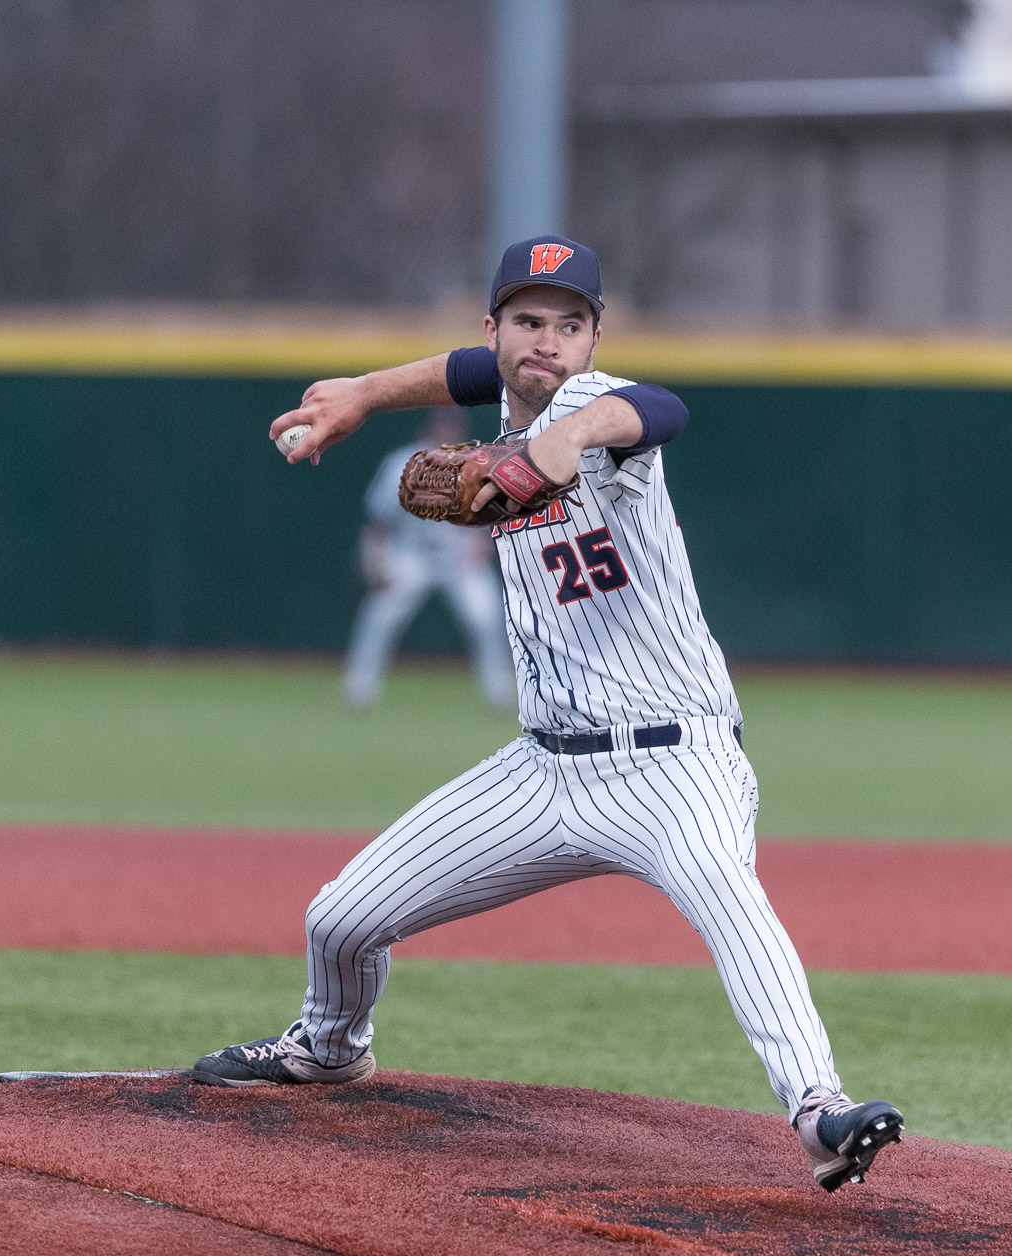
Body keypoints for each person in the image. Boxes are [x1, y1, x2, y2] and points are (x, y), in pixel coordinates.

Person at [193, 236, 903, 1193]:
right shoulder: (502, 389)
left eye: (572, 325)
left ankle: (820, 1110)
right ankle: (329, 1048)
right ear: (496, 330)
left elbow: (662, 408)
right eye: (530, 321)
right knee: (339, 920)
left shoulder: (594, 407)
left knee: (732, 901)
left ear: (594, 338)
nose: (550, 341)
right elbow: (464, 371)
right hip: (543, 770)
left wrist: (563, 440)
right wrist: (361, 393)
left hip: (674, 761)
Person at [342, 407, 514, 710]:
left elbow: (493, 516)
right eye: (442, 425)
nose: (447, 431)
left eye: (452, 426)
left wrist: (480, 545)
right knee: (380, 618)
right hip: (411, 554)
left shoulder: (475, 463)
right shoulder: (402, 462)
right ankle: (359, 689)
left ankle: (499, 693)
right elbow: (377, 520)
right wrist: (375, 558)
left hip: (458, 557)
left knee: (486, 618)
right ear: (430, 427)